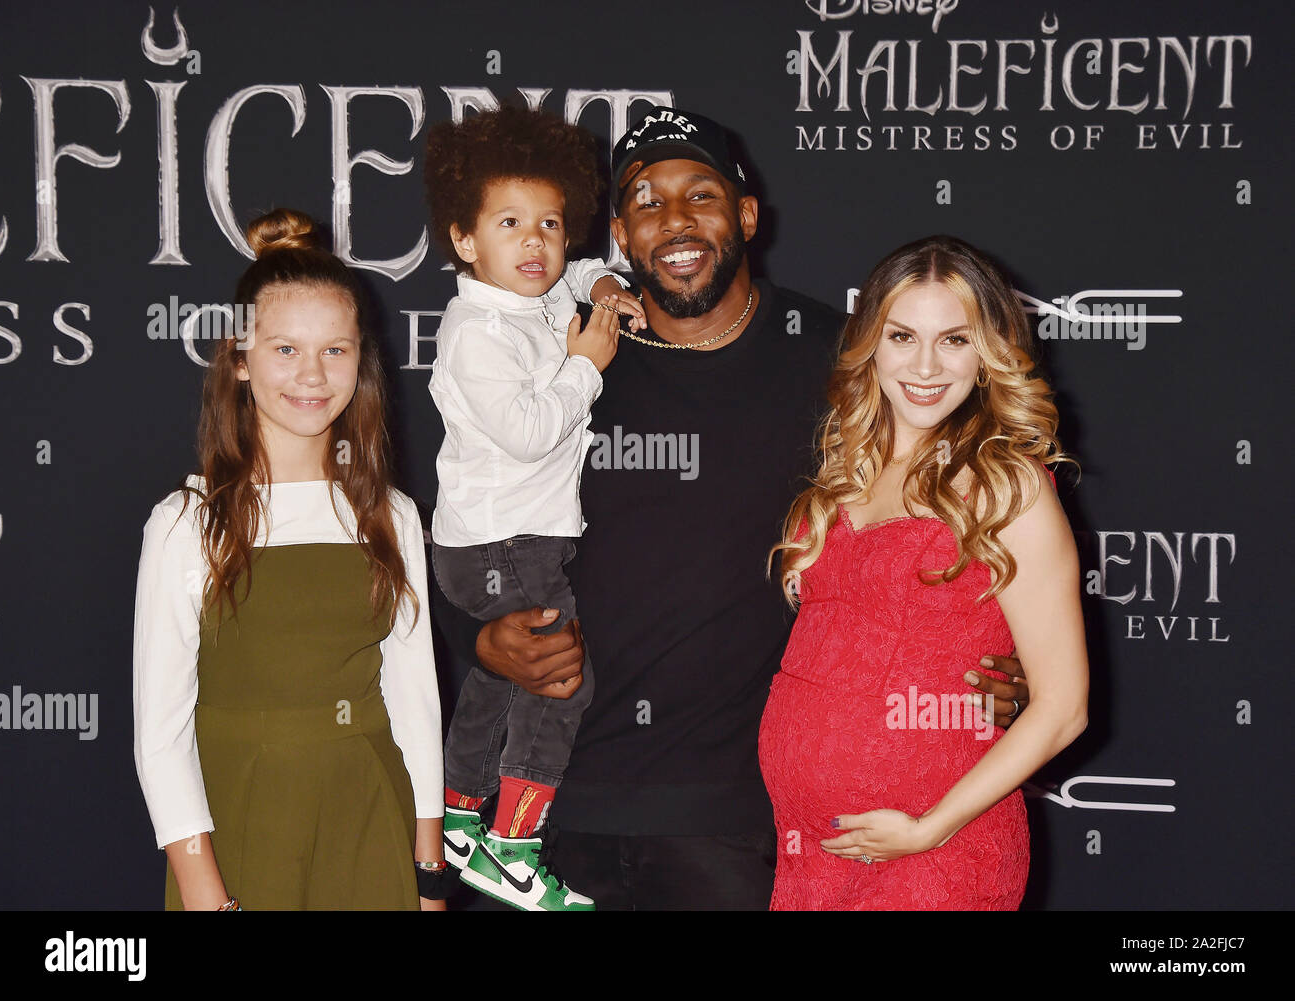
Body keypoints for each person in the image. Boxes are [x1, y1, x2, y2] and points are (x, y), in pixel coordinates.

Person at [429, 106, 1032, 910]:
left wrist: (999, 660)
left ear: (745, 214)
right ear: (618, 233)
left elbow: (948, 509)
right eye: (646, 201)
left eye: (701, 195)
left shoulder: (839, 360)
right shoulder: (561, 357)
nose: (674, 220)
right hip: (546, 817)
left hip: (741, 821)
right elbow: (468, 522)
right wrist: (479, 638)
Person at [759, 235, 1089, 909]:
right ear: (870, 343)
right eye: (903, 335)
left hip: (937, 852)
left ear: (989, 352)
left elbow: (1063, 708)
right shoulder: (842, 476)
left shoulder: (1009, 486)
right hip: (811, 850)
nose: (927, 364)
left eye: (956, 339)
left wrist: (926, 829)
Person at [132, 208, 447, 910]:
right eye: (284, 350)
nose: (312, 373)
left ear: (360, 360)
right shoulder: (186, 525)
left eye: (335, 350)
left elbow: (416, 707)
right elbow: (161, 735)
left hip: (371, 823)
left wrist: (429, 879)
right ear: (240, 360)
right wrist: (206, 896)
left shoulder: (391, 515)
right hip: (243, 834)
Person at [422, 105, 643, 911]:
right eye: (510, 223)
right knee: (559, 685)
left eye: (549, 223)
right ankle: (512, 846)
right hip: (498, 545)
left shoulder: (541, 293)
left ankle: (456, 825)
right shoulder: (475, 330)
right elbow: (523, 433)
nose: (535, 242)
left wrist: (607, 283)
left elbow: (576, 279)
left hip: (510, 543)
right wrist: (587, 366)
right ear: (464, 239)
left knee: (496, 683)